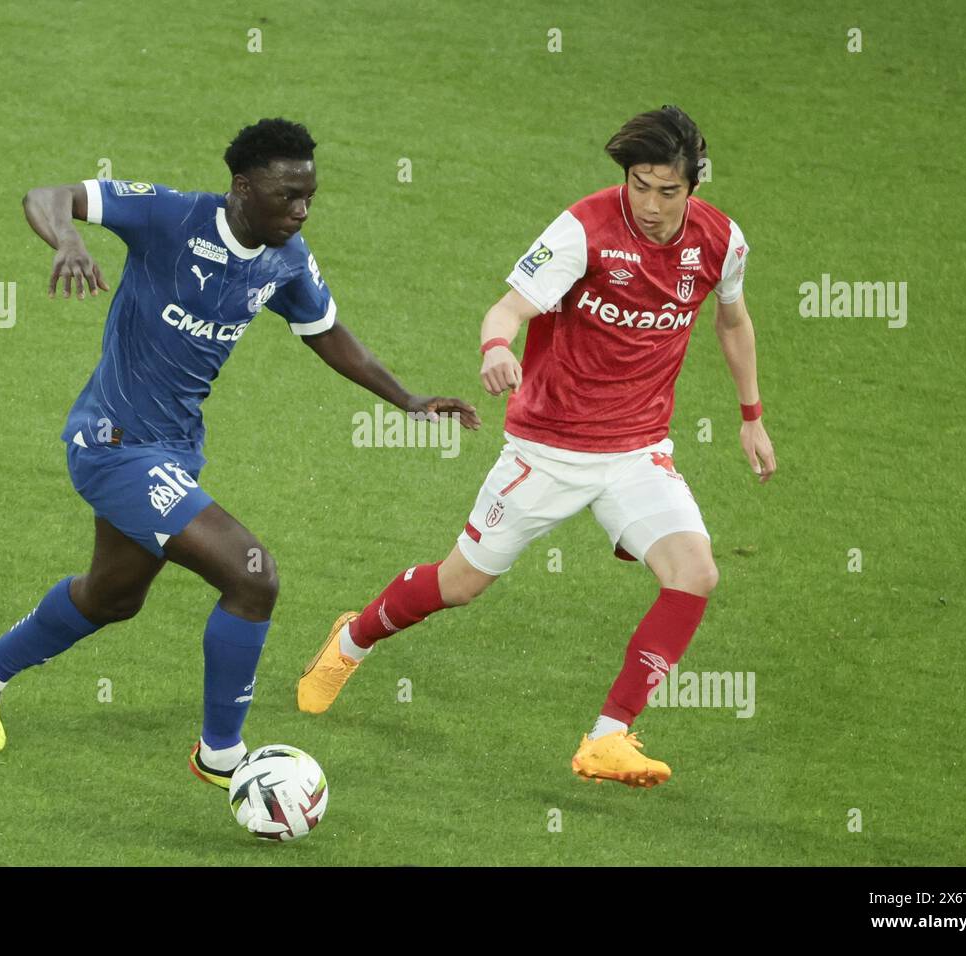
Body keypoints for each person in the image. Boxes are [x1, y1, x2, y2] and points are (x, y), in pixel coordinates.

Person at [0, 118, 478, 790]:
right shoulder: (169, 216)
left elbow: (328, 333)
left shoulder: (287, 256)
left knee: (112, 596)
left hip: (174, 450)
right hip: (113, 445)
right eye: (288, 196)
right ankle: (221, 756)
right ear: (243, 188)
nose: (302, 209)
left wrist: (408, 401)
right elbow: (46, 195)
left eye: (309, 196)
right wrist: (69, 240)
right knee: (254, 576)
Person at [298, 106, 776, 788]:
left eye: (668, 190)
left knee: (696, 573)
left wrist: (751, 414)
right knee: (460, 583)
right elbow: (508, 309)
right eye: (640, 184)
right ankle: (353, 639)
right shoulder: (583, 229)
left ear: (694, 184)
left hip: (638, 450)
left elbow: (733, 320)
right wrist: (497, 348)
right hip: (546, 449)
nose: (651, 204)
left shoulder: (721, 241)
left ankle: (608, 737)